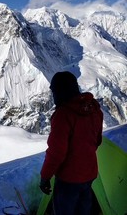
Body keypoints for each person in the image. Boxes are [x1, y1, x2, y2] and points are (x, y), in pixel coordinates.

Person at [39, 71, 103, 215]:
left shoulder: (63, 115)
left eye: (54, 91)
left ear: (61, 91)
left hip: (69, 178)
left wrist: (45, 177)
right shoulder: (94, 108)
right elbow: (97, 140)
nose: (53, 96)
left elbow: (56, 153)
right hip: (90, 173)